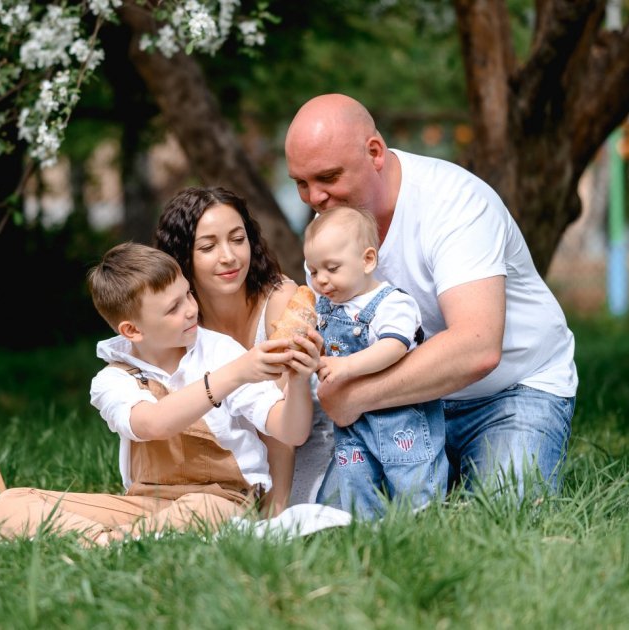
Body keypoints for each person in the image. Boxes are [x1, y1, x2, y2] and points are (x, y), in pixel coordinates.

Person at [284, 93, 578, 497]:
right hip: (398, 405)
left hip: (507, 390)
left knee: (503, 523)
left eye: (329, 178)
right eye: (302, 183)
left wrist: (357, 397)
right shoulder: (329, 232)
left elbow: (477, 347)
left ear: (375, 152)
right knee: (337, 523)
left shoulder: (454, 202)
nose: (315, 198)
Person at [0, 243, 319, 544]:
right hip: (145, 506)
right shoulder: (113, 380)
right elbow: (153, 424)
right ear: (132, 330)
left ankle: (110, 542)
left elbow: (291, 430)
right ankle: (109, 541)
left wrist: (299, 380)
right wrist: (235, 373)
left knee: (202, 508)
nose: (190, 309)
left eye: (188, 295)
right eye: (173, 308)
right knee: (9, 504)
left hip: (225, 501)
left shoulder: (220, 352)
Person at [155, 187, 337, 513]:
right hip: (224, 465)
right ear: (182, 255)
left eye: (238, 240)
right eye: (209, 246)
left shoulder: (282, 301)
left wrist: (274, 518)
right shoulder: (181, 324)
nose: (229, 256)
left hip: (297, 450)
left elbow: (279, 430)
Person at [303, 206, 448, 519]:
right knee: (356, 478)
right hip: (354, 421)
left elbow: (393, 347)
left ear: (367, 260)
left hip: (402, 415)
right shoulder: (326, 307)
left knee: (411, 476)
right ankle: (367, 530)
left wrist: (346, 367)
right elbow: (325, 352)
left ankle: (425, 526)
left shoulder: (391, 302)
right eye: (314, 271)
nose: (321, 280)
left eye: (332, 268)